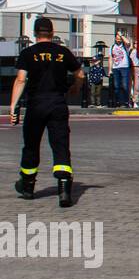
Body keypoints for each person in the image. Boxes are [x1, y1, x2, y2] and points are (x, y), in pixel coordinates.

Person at [9, 16, 84, 207]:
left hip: (36, 105)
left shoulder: (28, 53)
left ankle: (27, 187)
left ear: (35, 33)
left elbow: (20, 80)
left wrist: (13, 107)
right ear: (52, 33)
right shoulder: (62, 52)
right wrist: (75, 87)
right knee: (60, 144)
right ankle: (64, 190)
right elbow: (80, 74)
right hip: (58, 104)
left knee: (31, 145)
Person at [109, 31, 130, 108]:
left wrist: (121, 35)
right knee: (116, 86)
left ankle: (126, 102)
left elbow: (128, 42)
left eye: (120, 39)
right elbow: (110, 58)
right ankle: (117, 102)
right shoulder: (112, 47)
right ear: (115, 39)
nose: (119, 40)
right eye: (117, 39)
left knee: (125, 86)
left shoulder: (125, 46)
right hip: (115, 68)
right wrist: (110, 70)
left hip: (124, 67)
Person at [129, 42, 139, 108]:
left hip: (137, 67)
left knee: (136, 86)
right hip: (131, 67)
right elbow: (130, 59)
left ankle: (135, 101)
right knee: (130, 85)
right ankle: (130, 100)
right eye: (135, 43)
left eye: (137, 43)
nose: (136, 45)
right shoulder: (132, 51)